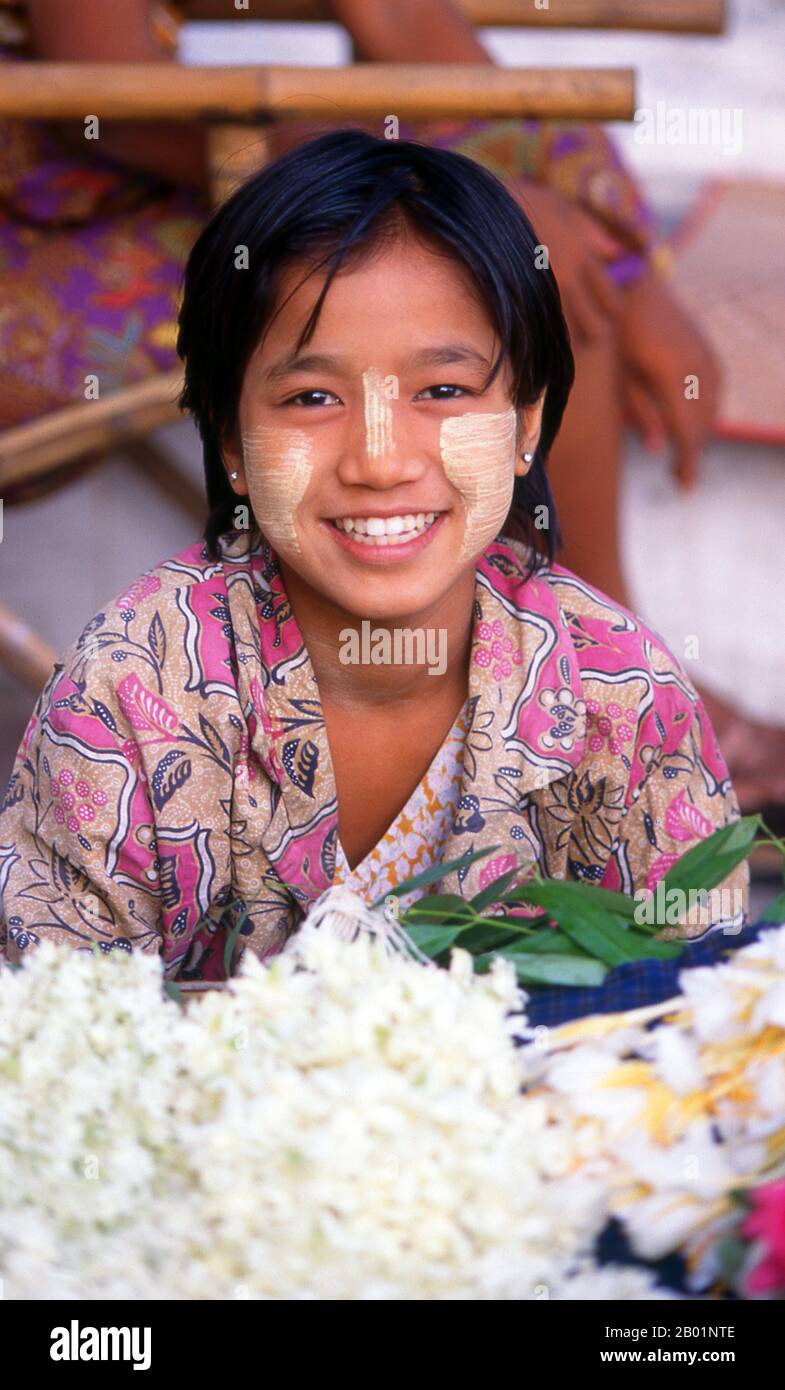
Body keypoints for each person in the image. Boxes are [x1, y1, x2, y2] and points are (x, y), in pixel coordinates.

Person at [0, 132, 748, 979]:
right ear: (232, 445)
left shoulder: (623, 693)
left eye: (442, 390)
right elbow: (55, 1046)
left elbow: (710, 1023)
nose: (380, 460)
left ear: (525, 426)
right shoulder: (130, 699)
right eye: (312, 397)